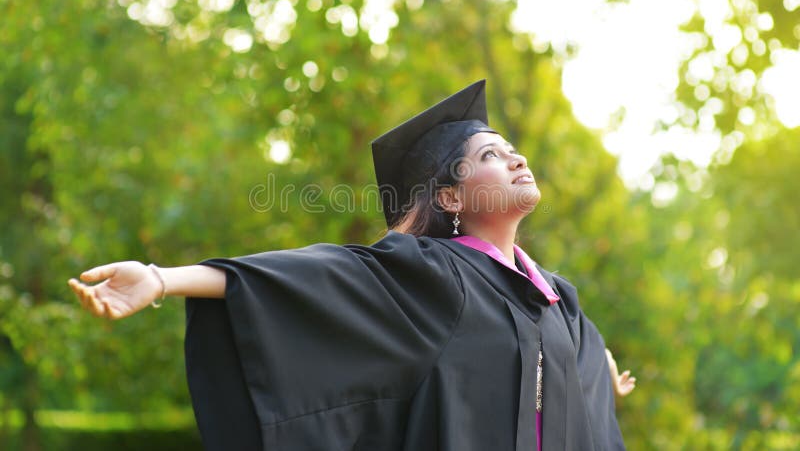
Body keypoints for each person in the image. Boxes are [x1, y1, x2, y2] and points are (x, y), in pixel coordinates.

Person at [69, 80, 634, 450]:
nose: (516, 157)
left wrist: (601, 369)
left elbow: (570, 359)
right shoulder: (435, 276)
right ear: (449, 199)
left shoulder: (559, 299)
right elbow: (317, 279)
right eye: (489, 155)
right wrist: (163, 279)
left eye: (511, 149)